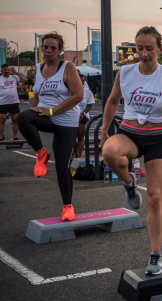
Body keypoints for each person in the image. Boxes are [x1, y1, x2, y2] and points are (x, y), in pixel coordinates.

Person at [100, 26, 162, 275]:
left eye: (149, 48)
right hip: (130, 132)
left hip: (156, 137)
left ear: (160, 49)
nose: (144, 54)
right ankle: (129, 183)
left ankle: (155, 254)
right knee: (109, 152)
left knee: (155, 198)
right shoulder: (125, 73)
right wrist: (105, 130)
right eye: (140, 48)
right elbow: (113, 100)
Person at [18, 32, 83, 221]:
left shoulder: (67, 67)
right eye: (45, 47)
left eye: (53, 47)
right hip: (46, 116)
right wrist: (33, 111)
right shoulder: (38, 68)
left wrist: (53, 111)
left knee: (63, 166)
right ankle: (41, 153)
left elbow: (78, 96)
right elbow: (37, 94)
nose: (48, 51)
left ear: (60, 50)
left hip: (65, 120)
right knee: (23, 118)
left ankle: (67, 206)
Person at [0, 64, 28, 141]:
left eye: (8, 69)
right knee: (2, 119)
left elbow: (25, 79)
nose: (7, 71)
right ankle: (0, 137)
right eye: (5, 70)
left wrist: (15, 72)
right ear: (2, 71)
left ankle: (15, 137)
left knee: (15, 120)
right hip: (2, 102)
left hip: (13, 102)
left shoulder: (14, 77)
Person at [74, 73, 95, 158]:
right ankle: (74, 153)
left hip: (83, 115)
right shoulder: (70, 90)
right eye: (80, 80)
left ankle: (78, 155)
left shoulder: (87, 92)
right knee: (72, 136)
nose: (82, 82)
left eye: (83, 80)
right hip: (72, 115)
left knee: (81, 135)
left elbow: (89, 105)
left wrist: (82, 114)